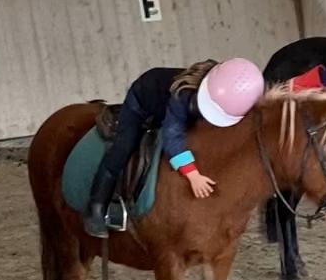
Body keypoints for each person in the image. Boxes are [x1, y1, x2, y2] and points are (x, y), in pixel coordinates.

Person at [84, 57, 265, 238]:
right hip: (141, 102)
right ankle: (96, 206)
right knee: (123, 148)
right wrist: (192, 174)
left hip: (182, 106)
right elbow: (172, 134)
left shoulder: (231, 92)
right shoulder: (182, 95)